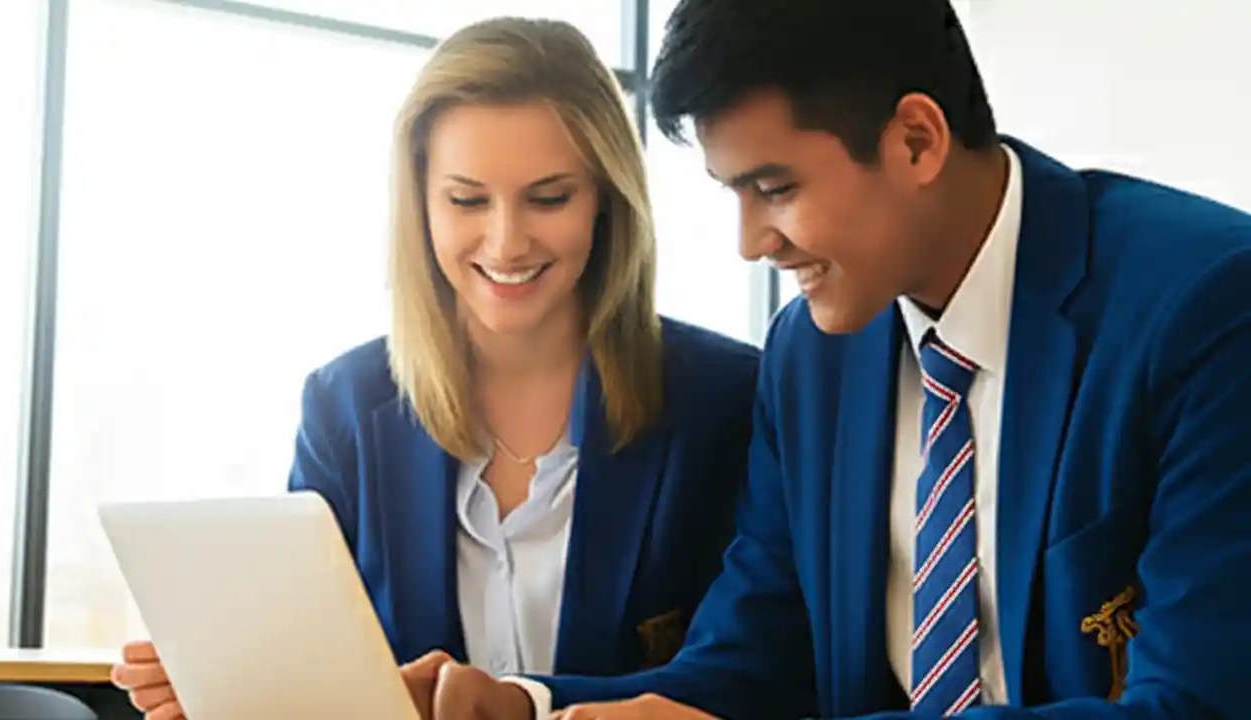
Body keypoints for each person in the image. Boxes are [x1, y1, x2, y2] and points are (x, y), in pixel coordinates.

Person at [421, 0, 1251, 718]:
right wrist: (528, 705)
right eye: (733, 193)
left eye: (775, 189)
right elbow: (754, 658)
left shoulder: (1206, 308)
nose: (752, 243)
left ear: (917, 140)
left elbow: (1194, 705)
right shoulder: (808, 358)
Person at [108, 17, 760, 720]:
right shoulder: (347, 406)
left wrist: (518, 707)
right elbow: (326, 679)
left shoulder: (727, 399)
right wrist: (230, 689)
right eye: (466, 199)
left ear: (606, 199)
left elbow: (751, 675)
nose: (506, 242)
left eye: (549, 198)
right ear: (419, 204)